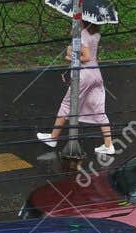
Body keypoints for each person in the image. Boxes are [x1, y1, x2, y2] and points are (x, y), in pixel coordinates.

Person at [36, 21, 115, 162]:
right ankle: (109, 145)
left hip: (83, 75)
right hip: (96, 74)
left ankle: (53, 138)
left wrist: (70, 56)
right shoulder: (95, 33)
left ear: (83, 21)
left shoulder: (82, 35)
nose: (74, 21)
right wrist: (73, 41)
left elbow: (86, 57)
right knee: (98, 110)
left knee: (67, 104)